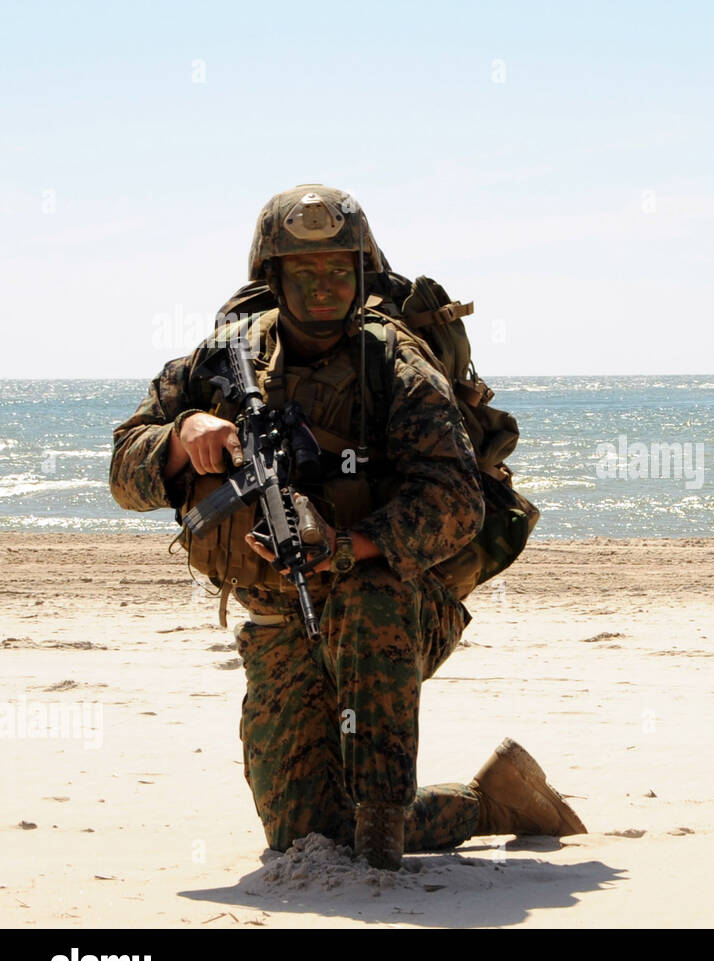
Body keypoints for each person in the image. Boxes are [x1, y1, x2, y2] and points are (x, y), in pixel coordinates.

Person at [110, 185, 585, 869]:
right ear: (272, 278)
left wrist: (348, 546)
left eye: (339, 271)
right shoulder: (219, 358)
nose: (324, 288)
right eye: (305, 274)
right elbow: (123, 472)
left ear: (363, 275)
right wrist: (184, 435)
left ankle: (385, 821)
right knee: (305, 835)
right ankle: (492, 800)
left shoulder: (396, 365)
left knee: (368, 600)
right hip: (279, 619)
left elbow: (455, 499)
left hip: (398, 607)